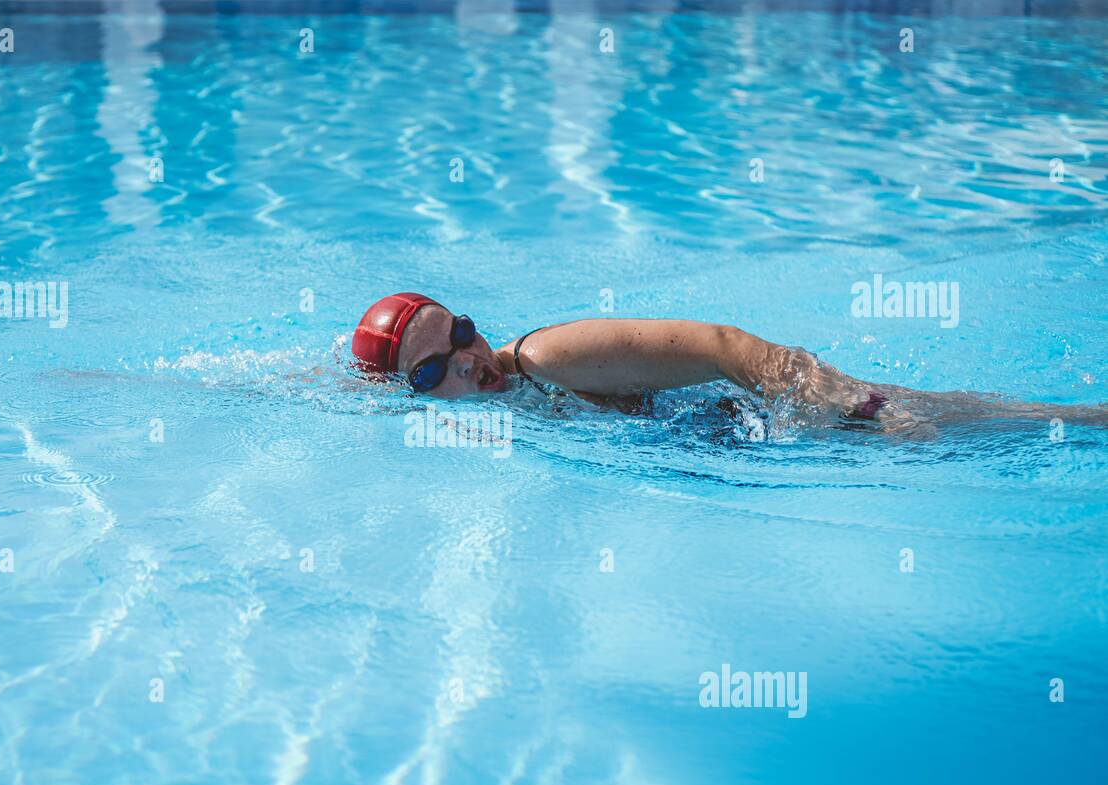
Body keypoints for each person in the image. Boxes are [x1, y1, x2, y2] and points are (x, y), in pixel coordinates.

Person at [350, 292, 1107, 432]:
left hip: (796, 417)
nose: (466, 360)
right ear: (409, 399)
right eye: (431, 372)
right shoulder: (508, 411)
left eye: (461, 333)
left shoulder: (547, 356)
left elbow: (724, 346)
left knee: (1028, 424)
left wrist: (861, 408)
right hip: (741, 433)